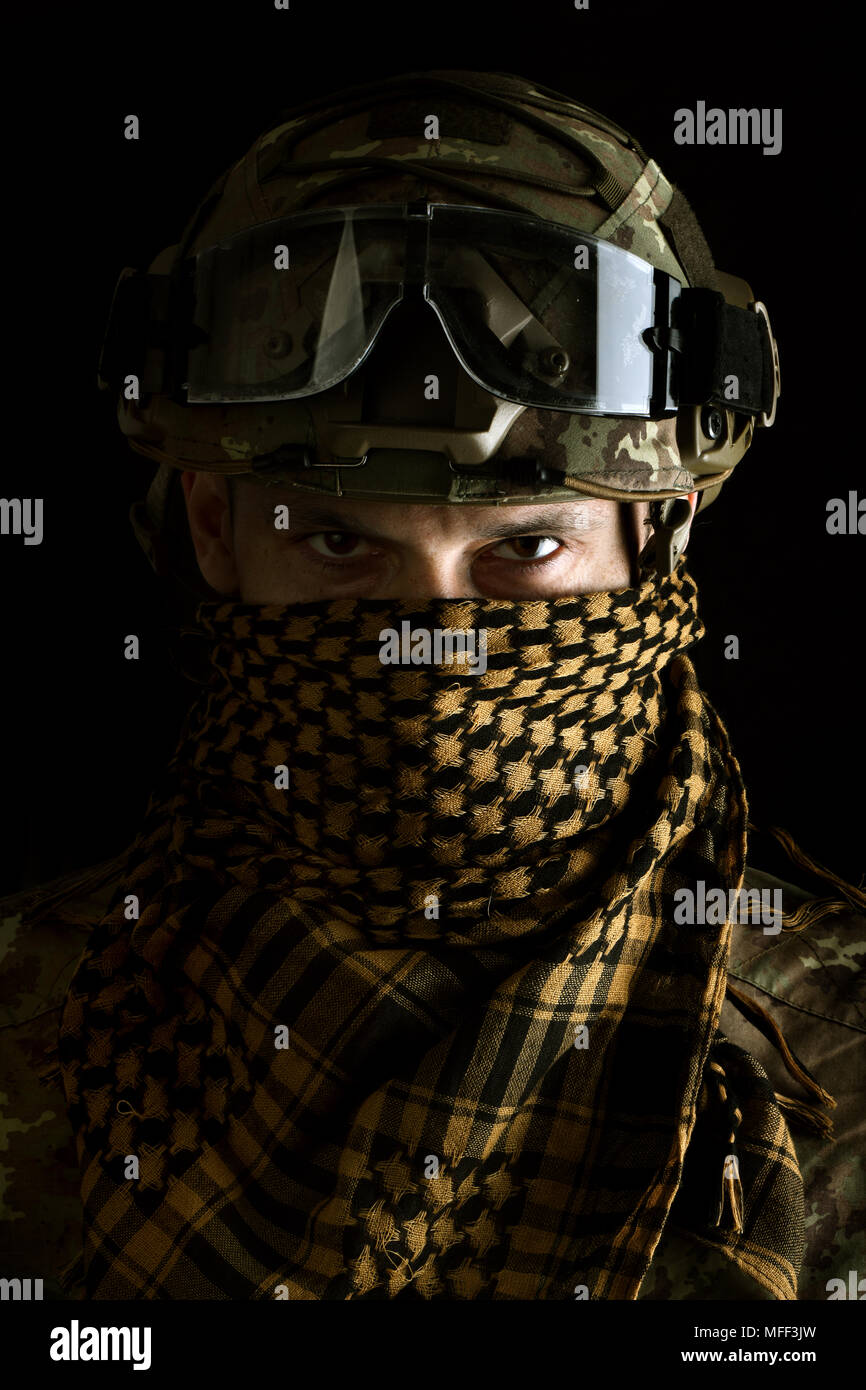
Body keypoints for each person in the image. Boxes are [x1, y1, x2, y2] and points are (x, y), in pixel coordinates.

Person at [1, 69, 862, 1303]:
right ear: (209, 527)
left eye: (524, 549)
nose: (435, 643)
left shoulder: (839, 1054)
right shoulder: (33, 1020)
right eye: (339, 543)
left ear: (660, 537)